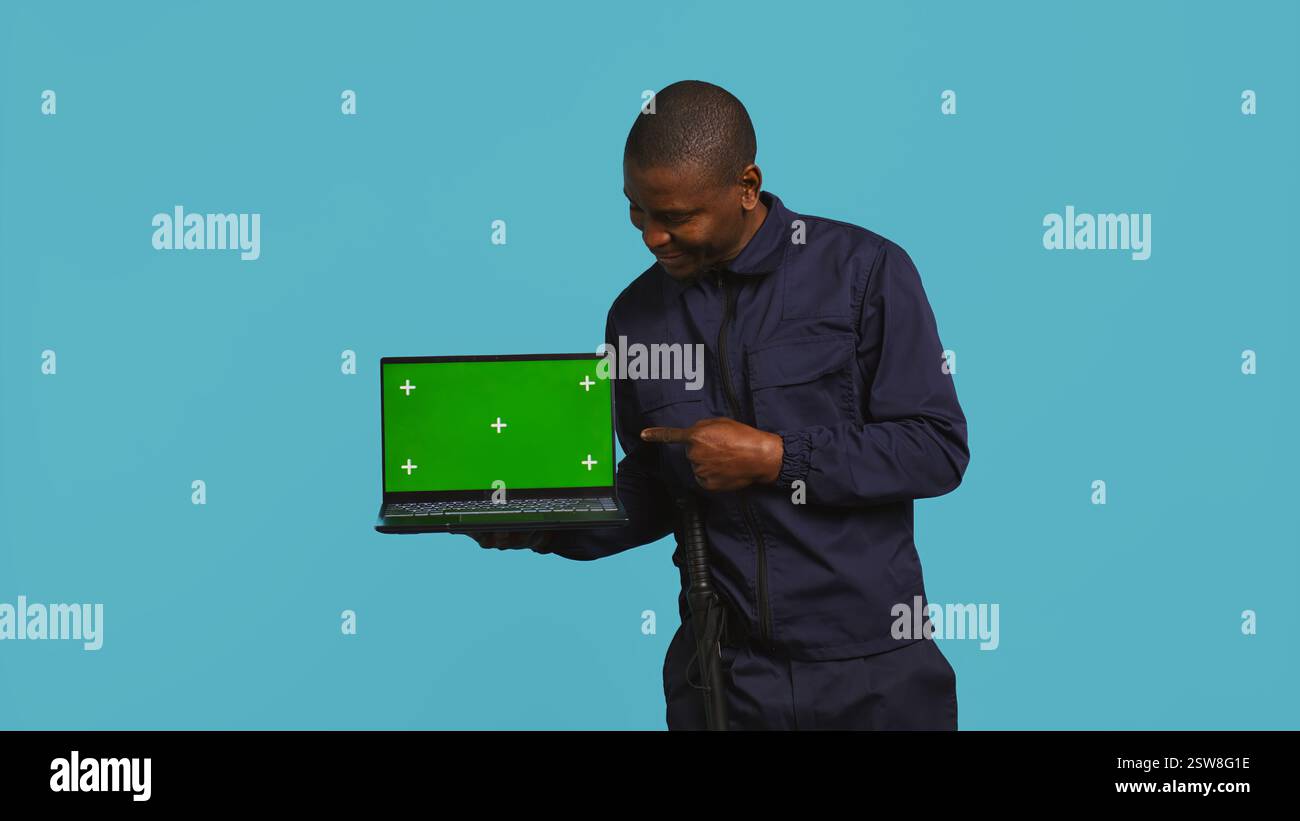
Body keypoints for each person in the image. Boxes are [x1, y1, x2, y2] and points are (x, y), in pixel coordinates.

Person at [462, 80, 969, 730]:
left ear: (747, 186)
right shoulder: (636, 315)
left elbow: (935, 448)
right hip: (725, 677)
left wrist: (775, 457)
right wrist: (544, 524)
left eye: (676, 217)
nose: (652, 236)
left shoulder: (865, 271)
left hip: (873, 668)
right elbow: (653, 487)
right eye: (637, 211)